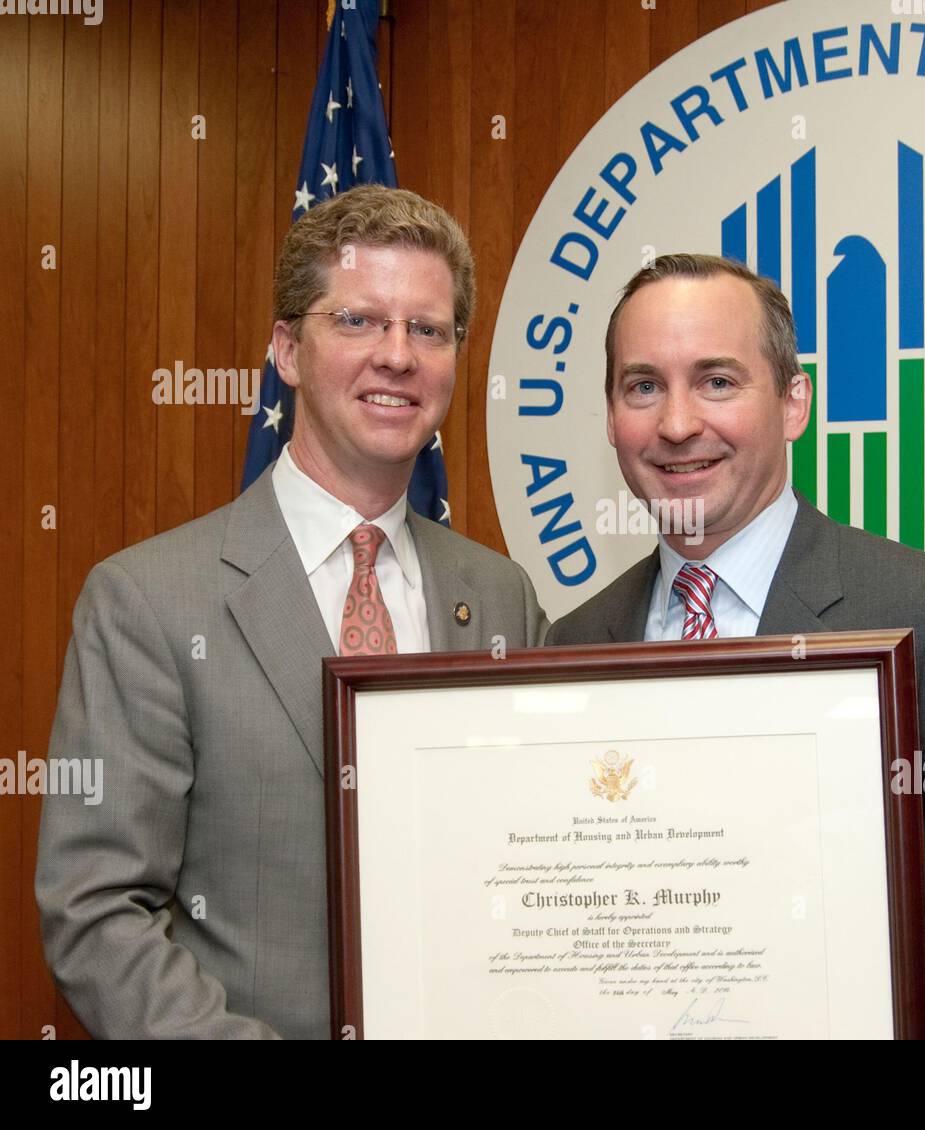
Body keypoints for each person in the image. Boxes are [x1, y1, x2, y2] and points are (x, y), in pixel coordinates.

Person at [546, 253, 925, 1039]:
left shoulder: (924, 615)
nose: (677, 423)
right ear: (612, 415)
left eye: (717, 381)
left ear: (795, 402)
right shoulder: (575, 642)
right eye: (643, 386)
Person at [35, 185, 547, 1039]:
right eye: (357, 322)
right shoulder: (148, 602)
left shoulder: (502, 596)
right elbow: (97, 912)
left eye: (428, 329)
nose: (397, 356)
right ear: (287, 350)